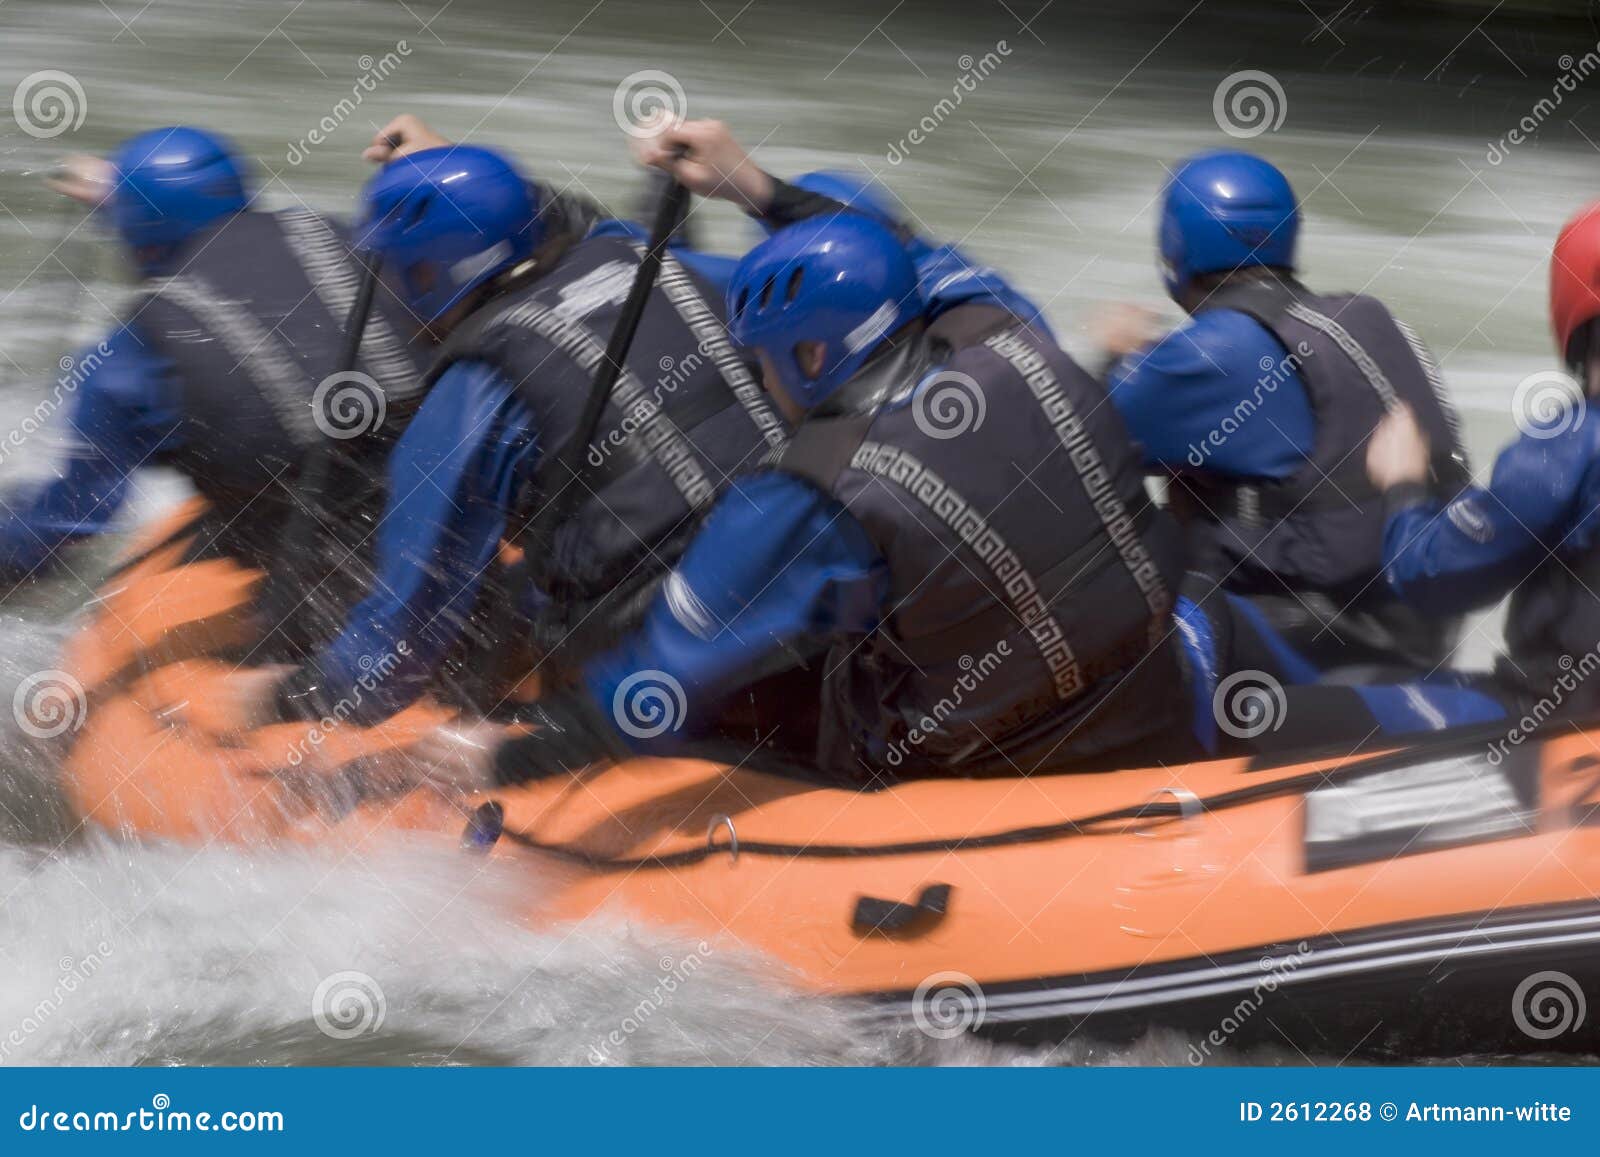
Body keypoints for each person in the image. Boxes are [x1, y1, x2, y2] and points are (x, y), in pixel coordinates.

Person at [414, 211, 1196, 790]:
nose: (760, 380)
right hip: (1154, 684)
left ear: (813, 352)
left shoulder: (805, 494)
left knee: (734, 702)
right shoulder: (1010, 332)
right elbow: (934, 251)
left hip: (987, 760)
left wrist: (512, 753)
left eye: (763, 360)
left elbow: (653, 692)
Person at [225, 141, 789, 726]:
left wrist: (282, 699)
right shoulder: (651, 259)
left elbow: (401, 652)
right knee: (531, 585)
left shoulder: (473, 388)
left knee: (506, 608)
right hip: (803, 565)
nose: (388, 292)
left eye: (393, 271)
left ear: (428, 273)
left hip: (670, 654)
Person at [0, 125, 427, 648]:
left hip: (326, 573)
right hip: (444, 502)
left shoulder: (133, 353)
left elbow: (73, 518)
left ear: (138, 231)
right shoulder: (339, 235)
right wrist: (118, 190)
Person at [1100, 150, 1472, 678]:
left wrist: (1114, 356)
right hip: (1424, 632)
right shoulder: (1370, 319)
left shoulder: (1213, 352)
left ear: (1175, 246)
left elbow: (1070, 437)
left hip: (1310, 643)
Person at [1369, 202, 1600, 715]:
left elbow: (1429, 577)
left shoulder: (1571, 444)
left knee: (1319, 702)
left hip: (1558, 722)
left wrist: (1403, 486)